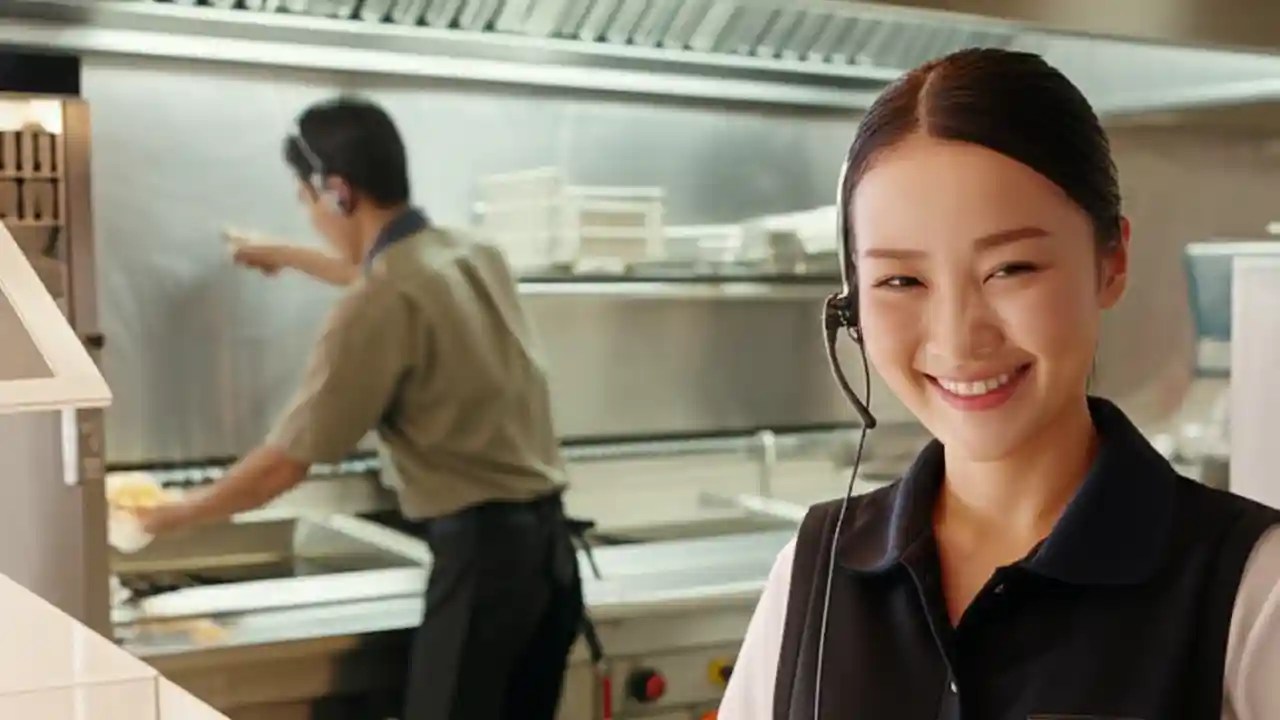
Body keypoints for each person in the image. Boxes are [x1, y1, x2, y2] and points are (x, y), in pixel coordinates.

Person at [720, 49, 1280, 719]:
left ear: (1112, 261)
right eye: (902, 281)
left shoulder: (1252, 590)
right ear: (851, 305)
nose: (958, 338)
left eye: (1010, 269)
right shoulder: (810, 576)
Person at [138, 96, 584, 720]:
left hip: (484, 573)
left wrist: (168, 516)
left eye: (306, 200)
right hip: (551, 564)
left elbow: (283, 466)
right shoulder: (471, 253)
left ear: (338, 193)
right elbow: (390, 280)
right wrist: (285, 254)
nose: (311, 216)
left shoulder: (376, 303)